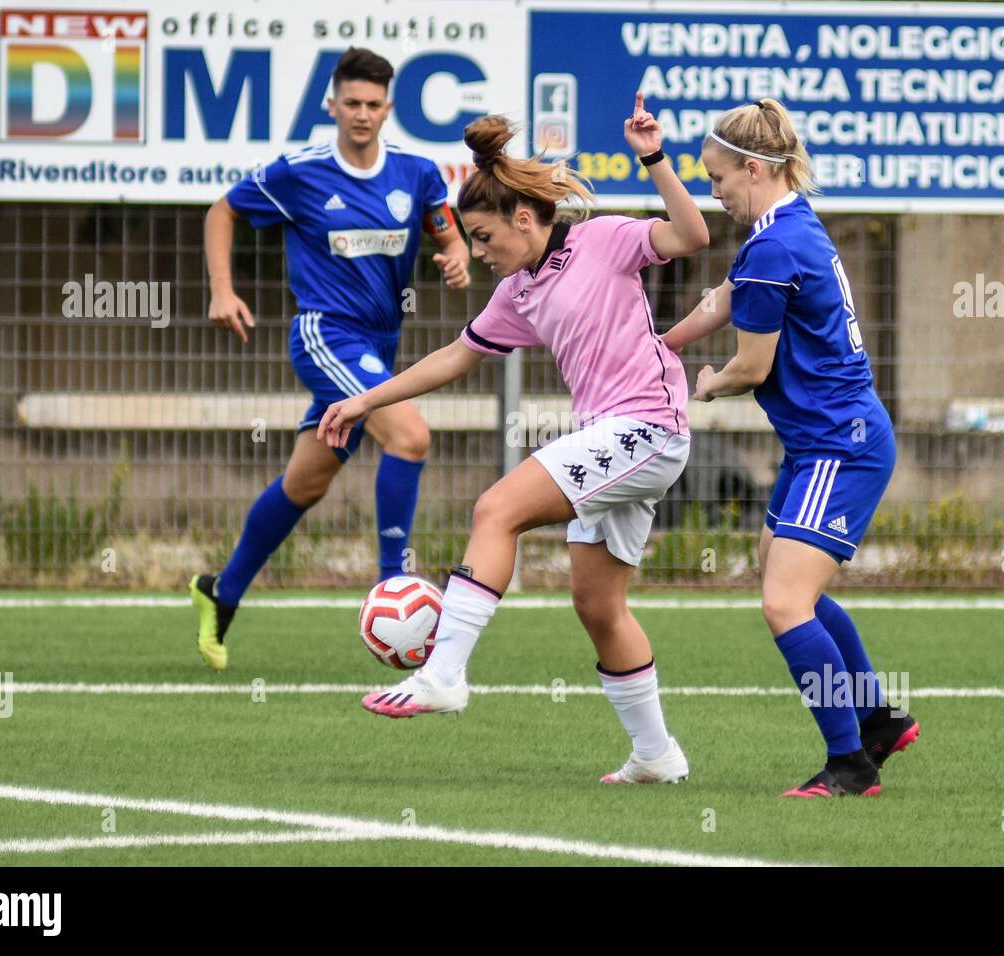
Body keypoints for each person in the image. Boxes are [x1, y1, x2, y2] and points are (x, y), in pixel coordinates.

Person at [318, 94, 710, 783]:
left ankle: (444, 674)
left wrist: (653, 157)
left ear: (524, 218)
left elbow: (693, 235)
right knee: (597, 605)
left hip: (649, 427)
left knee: (496, 509)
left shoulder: (605, 240)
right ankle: (657, 755)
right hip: (611, 439)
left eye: (484, 237)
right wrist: (363, 401)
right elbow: (454, 358)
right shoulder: (519, 290)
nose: (478, 251)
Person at [663, 99, 920, 798]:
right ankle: (877, 717)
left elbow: (751, 365)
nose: (714, 194)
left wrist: (705, 386)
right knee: (783, 576)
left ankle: (850, 764)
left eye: (718, 179)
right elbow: (724, 297)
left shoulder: (775, 242)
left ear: (753, 168)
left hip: (840, 445)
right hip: (827, 442)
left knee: (783, 602)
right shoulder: (786, 226)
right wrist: (660, 345)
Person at [189, 48, 471, 672]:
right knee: (410, 437)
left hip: (379, 348)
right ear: (333, 106)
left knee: (305, 483)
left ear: (388, 108)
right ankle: (392, 588)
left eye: (374, 104)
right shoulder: (301, 172)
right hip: (325, 336)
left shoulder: (418, 173)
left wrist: (456, 257)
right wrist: (221, 288)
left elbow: (446, 232)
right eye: (352, 103)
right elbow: (224, 210)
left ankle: (221, 591)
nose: (362, 114)